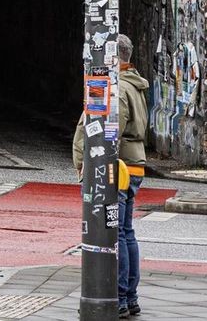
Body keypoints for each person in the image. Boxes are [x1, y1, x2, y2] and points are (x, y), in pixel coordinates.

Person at [72, 34, 149, 319]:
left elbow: (111, 131)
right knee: (125, 231)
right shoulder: (136, 84)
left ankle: (118, 298)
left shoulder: (118, 89)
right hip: (133, 165)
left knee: (113, 232)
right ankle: (130, 297)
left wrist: (95, 165)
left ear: (113, 58)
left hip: (118, 169)